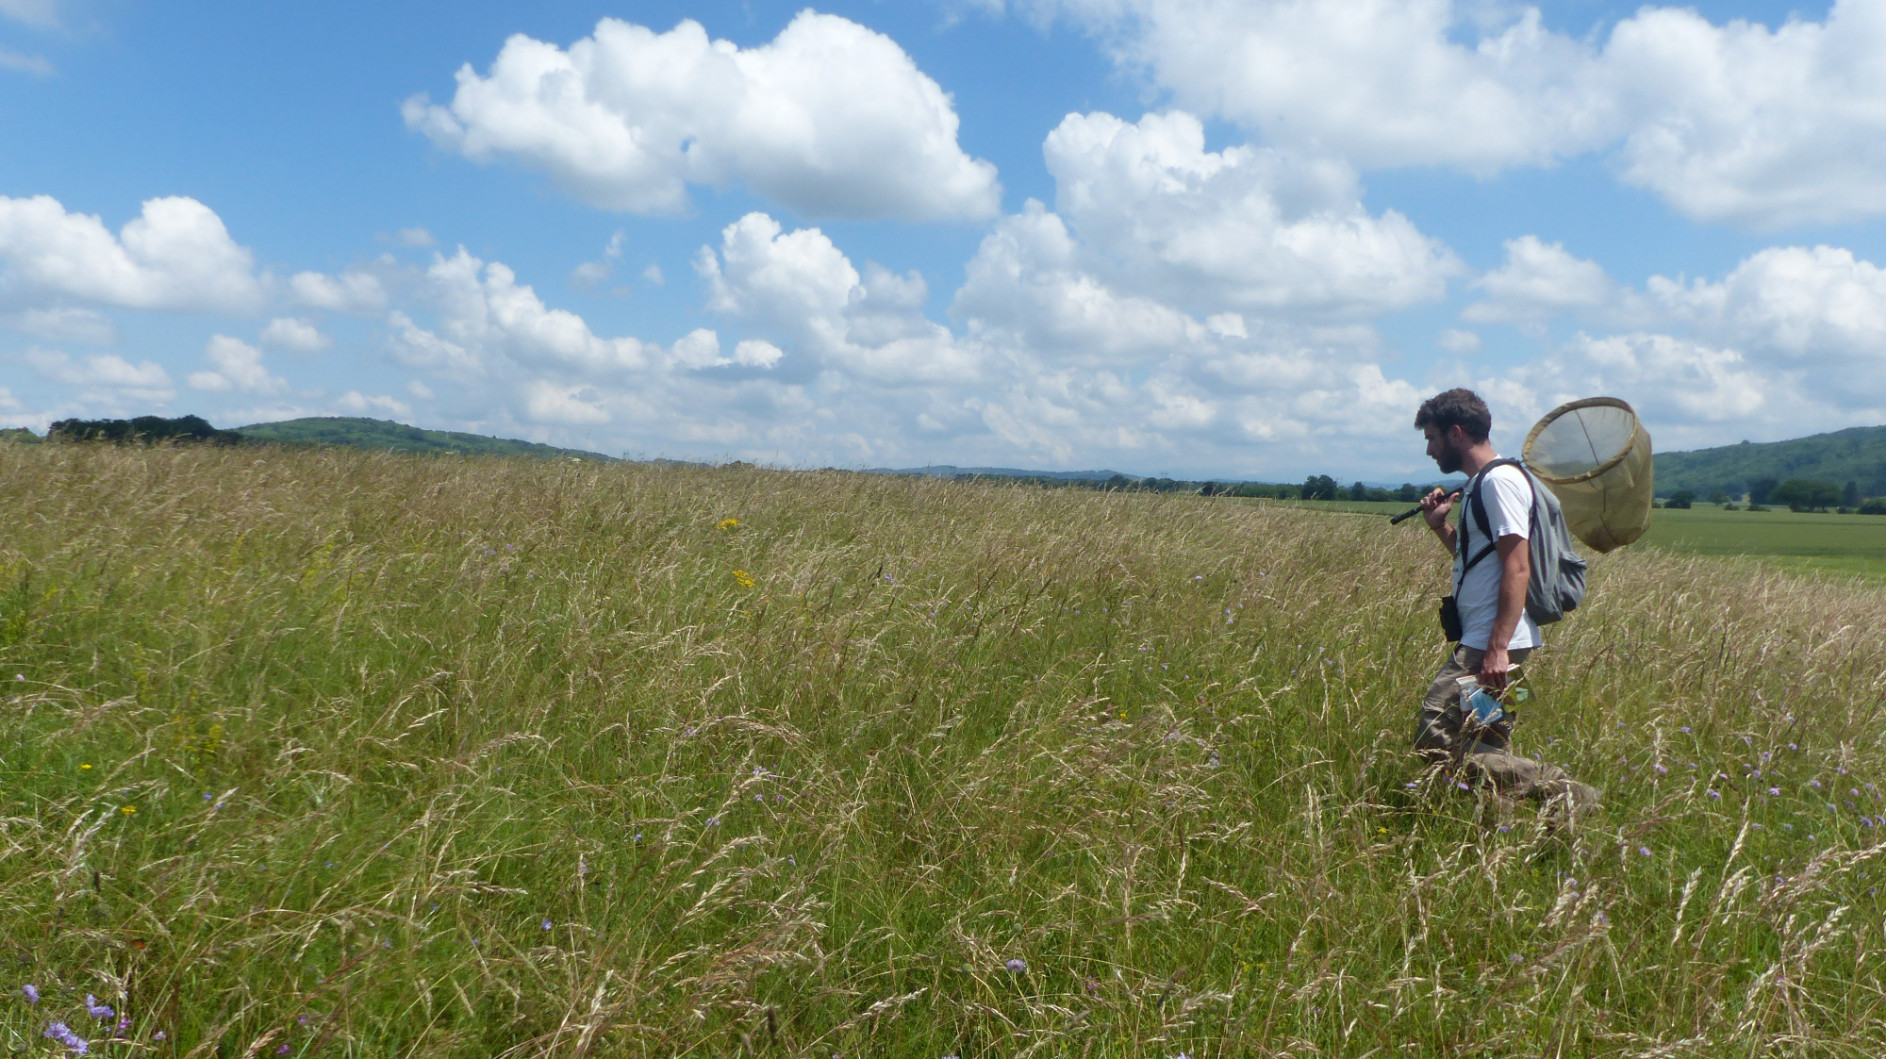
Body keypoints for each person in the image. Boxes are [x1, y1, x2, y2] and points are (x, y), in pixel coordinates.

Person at [1413, 388, 1599, 818]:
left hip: (1494, 643)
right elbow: (1483, 563)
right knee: (1486, 742)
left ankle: (1565, 790)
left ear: (1456, 433)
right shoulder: (1484, 484)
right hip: (1498, 638)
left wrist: (1496, 649)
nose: (1428, 450)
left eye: (1433, 438)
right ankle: (1500, 837)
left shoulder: (1500, 482)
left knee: (1434, 732)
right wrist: (1441, 529)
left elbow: (1518, 568)